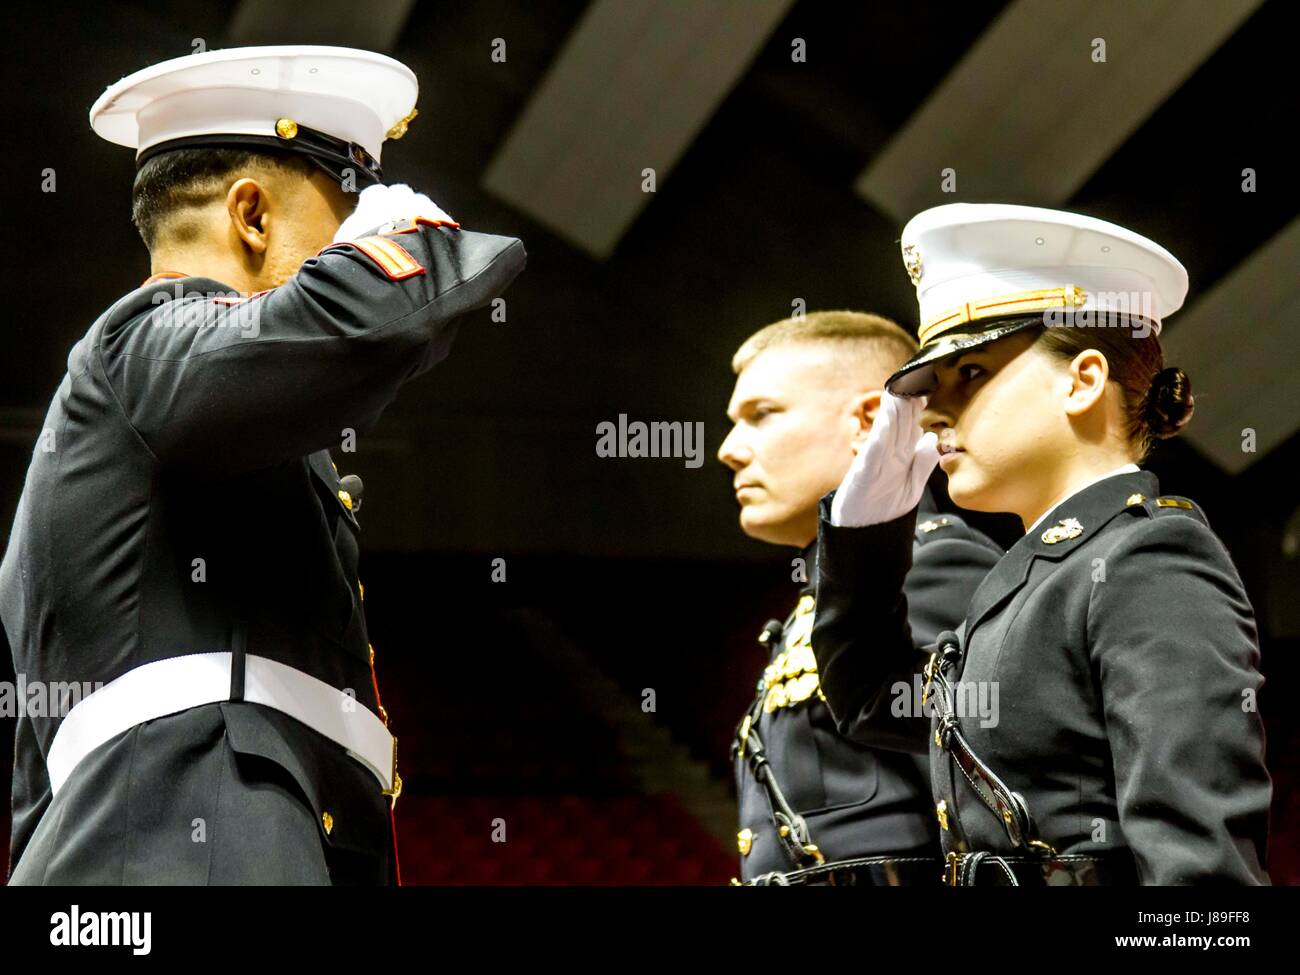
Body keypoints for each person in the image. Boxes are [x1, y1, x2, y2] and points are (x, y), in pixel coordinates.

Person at [1, 45, 525, 884]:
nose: (349, 240)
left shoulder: (207, 420)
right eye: (341, 218)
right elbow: (355, 325)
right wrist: (405, 250)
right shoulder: (140, 343)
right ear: (251, 214)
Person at [810, 203, 1271, 885]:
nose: (934, 411)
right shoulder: (1036, 580)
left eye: (970, 374)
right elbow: (870, 697)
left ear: (1082, 380)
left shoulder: (1145, 560)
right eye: (934, 386)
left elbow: (1203, 888)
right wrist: (865, 526)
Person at [716, 310, 1001, 885]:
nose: (727, 449)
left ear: (870, 419)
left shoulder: (931, 561)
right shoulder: (816, 601)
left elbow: (985, 792)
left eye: (762, 415)